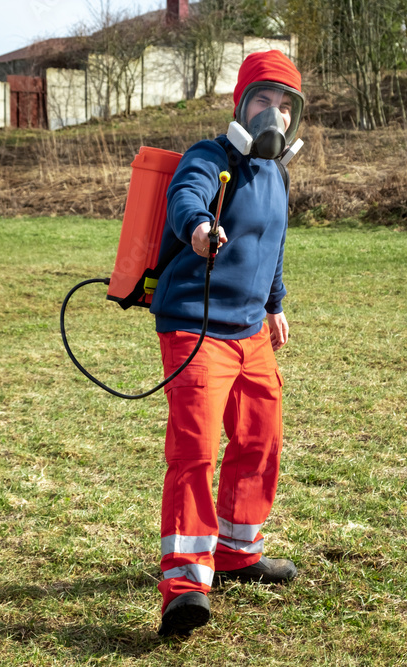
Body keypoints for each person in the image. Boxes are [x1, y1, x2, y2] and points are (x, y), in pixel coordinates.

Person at [148, 50, 305, 638]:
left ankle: (238, 551)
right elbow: (183, 198)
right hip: (196, 327)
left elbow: (275, 244)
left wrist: (276, 304)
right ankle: (186, 587)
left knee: (260, 440)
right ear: (242, 104)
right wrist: (197, 227)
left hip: (251, 333)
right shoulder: (210, 157)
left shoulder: (277, 174)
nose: (276, 115)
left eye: (285, 106)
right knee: (194, 452)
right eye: (264, 102)